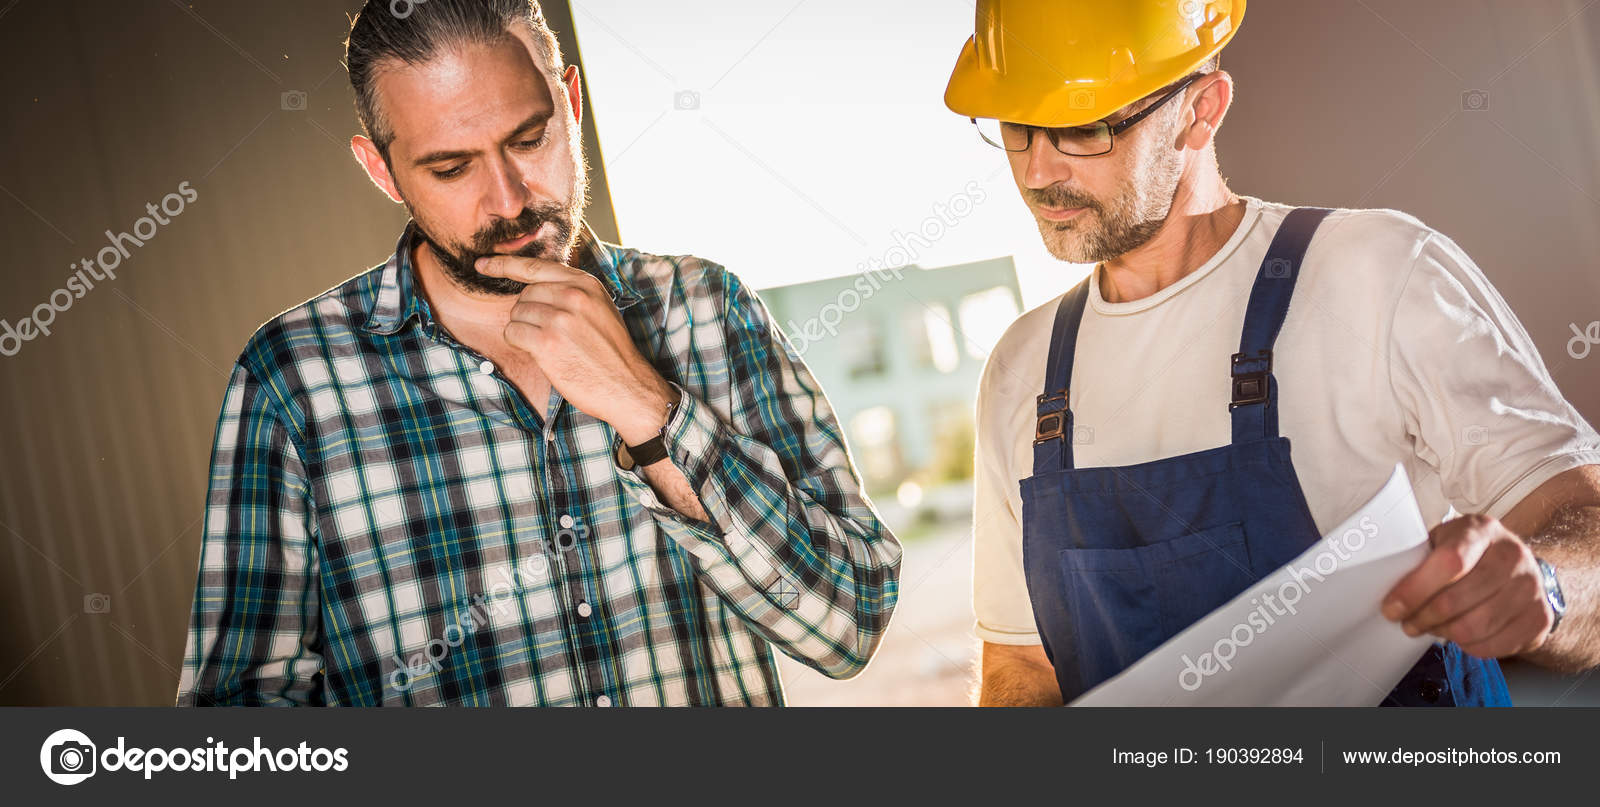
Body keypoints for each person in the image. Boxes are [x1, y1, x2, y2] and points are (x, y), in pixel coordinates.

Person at [176, 0, 900, 706]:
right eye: (452, 168)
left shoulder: (706, 306)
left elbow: (849, 626)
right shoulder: (291, 381)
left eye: (528, 139)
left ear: (571, 101)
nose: (510, 199)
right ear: (382, 170)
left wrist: (651, 410)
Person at [950, 0, 1600, 706]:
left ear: (1201, 109)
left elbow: (1582, 518)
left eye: (1085, 127)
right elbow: (1020, 670)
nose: (1040, 170)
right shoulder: (1022, 370)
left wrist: (1547, 585)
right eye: (1017, 125)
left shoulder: (1375, 272)